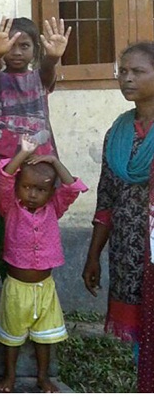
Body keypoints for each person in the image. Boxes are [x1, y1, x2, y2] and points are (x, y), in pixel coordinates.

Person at [83, 42, 154, 392]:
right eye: (122, 71)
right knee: (143, 339)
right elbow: (106, 200)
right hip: (128, 254)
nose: (127, 79)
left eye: (137, 71)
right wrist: (93, 255)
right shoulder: (119, 132)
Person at [0, 135, 87, 393]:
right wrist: (23, 154)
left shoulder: (54, 208)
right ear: (18, 188)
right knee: (11, 338)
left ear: (50, 193)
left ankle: (43, 377)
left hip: (45, 288)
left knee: (44, 338)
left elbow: (72, 188)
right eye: (26, 187)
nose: (32, 194)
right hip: (16, 288)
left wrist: (54, 161)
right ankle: (10, 376)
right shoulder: (10, 207)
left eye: (40, 189)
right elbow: (3, 179)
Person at [0, 16, 70, 277]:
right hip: (5, 168)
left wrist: (52, 58)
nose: (16, 52)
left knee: (40, 226)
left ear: (35, 51)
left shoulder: (40, 78)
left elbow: (48, 72)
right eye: (11, 45)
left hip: (39, 167)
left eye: (25, 46)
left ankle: (38, 286)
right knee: (7, 228)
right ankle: (11, 288)